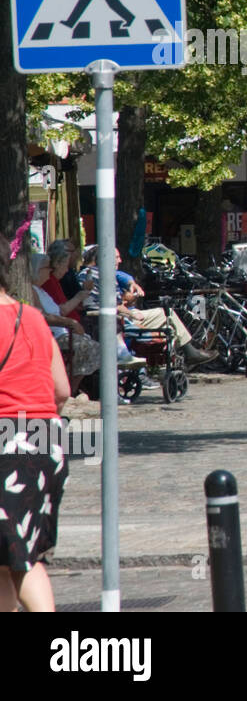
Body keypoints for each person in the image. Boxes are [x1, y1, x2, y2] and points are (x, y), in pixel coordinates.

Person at [0, 236, 71, 612]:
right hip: (45, 442)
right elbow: (60, 389)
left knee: (20, 560)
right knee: (13, 556)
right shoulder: (32, 318)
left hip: (8, 450)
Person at [82, 246, 212, 368]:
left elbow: (122, 278)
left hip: (113, 316)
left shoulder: (92, 273)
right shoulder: (104, 276)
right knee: (167, 317)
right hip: (116, 318)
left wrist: (132, 284)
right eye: (116, 257)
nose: (120, 260)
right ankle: (186, 353)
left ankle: (186, 352)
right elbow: (115, 305)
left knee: (166, 315)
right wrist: (131, 314)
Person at [30, 252, 100, 397]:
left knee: (94, 346)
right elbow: (41, 315)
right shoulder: (32, 290)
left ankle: (69, 390)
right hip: (54, 336)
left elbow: (61, 310)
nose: (50, 271)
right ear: (36, 270)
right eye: (46, 268)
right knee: (92, 347)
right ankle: (69, 391)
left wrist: (81, 295)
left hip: (63, 332)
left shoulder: (42, 290)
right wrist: (70, 322)